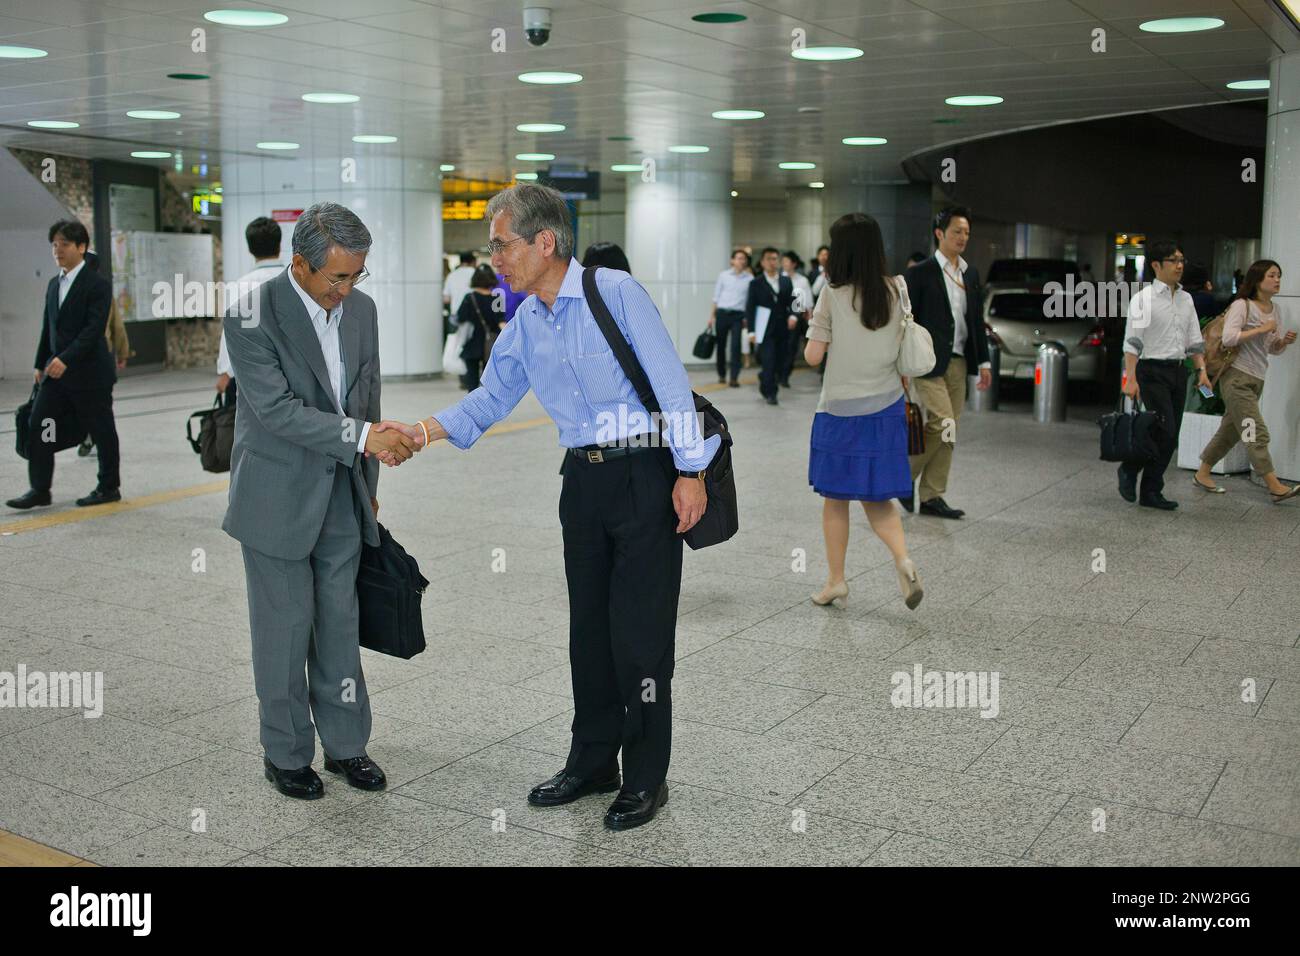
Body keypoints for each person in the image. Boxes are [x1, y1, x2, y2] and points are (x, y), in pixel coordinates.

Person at [397, 183, 715, 831]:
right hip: (583, 485)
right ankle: (594, 760)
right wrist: (419, 432)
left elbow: (670, 383)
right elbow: (486, 402)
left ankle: (647, 776)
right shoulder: (523, 326)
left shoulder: (614, 292)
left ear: (544, 241)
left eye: (500, 245)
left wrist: (691, 471)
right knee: (589, 633)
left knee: (641, 637)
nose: (495, 260)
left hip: (644, 478)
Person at [221, 201, 421, 800]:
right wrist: (363, 438)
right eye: (336, 276)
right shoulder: (250, 316)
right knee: (283, 631)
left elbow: (368, 396)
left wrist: (371, 489)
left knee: (339, 623)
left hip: (342, 491)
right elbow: (277, 411)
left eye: (356, 274)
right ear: (299, 264)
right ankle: (284, 753)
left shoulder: (362, 311)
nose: (345, 288)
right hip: (276, 494)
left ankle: (347, 746)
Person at [804, 213, 922, 610]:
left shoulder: (832, 293)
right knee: (878, 499)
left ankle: (836, 580)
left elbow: (811, 355)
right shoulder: (898, 289)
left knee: (836, 500)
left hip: (839, 412)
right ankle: (903, 560)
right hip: (887, 407)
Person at [7, 220, 121, 511]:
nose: (57, 250)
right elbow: (50, 328)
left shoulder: (98, 285)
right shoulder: (53, 283)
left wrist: (64, 359)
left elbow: (93, 330)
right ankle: (39, 489)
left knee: (101, 429)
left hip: (91, 373)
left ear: (81, 247)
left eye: (64, 244)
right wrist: (39, 362)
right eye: (54, 244)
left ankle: (109, 487)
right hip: (55, 373)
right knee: (39, 424)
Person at [902, 206, 990, 519]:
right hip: (927, 363)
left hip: (958, 362)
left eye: (966, 232)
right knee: (943, 423)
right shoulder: (920, 272)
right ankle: (903, 477)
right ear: (940, 233)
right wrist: (900, 365)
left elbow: (975, 320)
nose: (963, 237)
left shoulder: (970, 273)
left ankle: (931, 495)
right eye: (957, 231)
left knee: (950, 431)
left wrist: (985, 363)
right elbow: (904, 321)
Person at [1194, 259, 1298, 502]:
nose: (1277, 280)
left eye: (1279, 276)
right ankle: (1273, 484)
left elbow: (1272, 348)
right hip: (1236, 379)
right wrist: (1262, 329)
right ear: (1258, 280)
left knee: (1230, 432)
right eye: (1272, 275)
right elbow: (1229, 338)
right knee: (1255, 431)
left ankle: (1203, 472)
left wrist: (1283, 341)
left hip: (1257, 378)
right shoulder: (1243, 305)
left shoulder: (1275, 310)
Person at [1118, 239, 1207, 510]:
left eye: (1182, 260)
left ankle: (1150, 491)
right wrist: (1131, 378)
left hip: (1179, 372)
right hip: (1152, 370)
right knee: (1164, 430)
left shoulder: (1186, 299)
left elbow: (1194, 340)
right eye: (1173, 261)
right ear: (1156, 265)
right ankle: (1131, 468)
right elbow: (1132, 342)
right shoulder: (1143, 299)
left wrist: (1201, 371)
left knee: (1170, 434)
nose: (1180, 265)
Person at [216, 216, 285, 409]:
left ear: (250, 249)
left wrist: (225, 372)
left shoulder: (241, 286)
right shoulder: (295, 282)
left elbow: (230, 333)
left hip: (249, 373)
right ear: (279, 245)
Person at [77, 251, 129, 458]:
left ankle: (91, 435)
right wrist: (123, 352)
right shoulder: (102, 291)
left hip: (84, 360)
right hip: (100, 356)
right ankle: (92, 435)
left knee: (89, 403)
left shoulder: (78, 292)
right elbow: (118, 325)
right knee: (99, 405)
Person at [746, 246, 796, 405]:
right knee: (768, 361)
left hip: (783, 328)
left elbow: (794, 302)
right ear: (762, 262)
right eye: (768, 259)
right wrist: (751, 331)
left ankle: (765, 378)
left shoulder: (786, 281)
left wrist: (794, 316)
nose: (772, 262)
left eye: (775, 259)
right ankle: (771, 393)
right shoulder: (755, 283)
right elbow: (750, 307)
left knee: (780, 362)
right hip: (764, 329)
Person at [456, 263, 504, 390]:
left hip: (472, 344)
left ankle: (473, 407)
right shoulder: (497, 298)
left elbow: (460, 318)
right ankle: (487, 408)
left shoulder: (469, 298)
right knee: (490, 383)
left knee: (471, 383)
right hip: (492, 344)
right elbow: (501, 322)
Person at [708, 249, 752, 387]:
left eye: (743, 258)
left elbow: (749, 301)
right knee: (721, 345)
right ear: (732, 260)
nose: (741, 261)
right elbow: (716, 297)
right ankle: (721, 374)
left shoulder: (750, 278)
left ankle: (734, 377)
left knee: (736, 346)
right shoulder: (724, 276)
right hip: (722, 314)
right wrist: (711, 316)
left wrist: (747, 318)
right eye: (738, 258)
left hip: (738, 316)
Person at [783, 250, 813, 386]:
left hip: (797, 318)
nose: (783, 264)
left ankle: (784, 376)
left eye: (786, 261)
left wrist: (810, 318)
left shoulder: (802, 280)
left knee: (791, 348)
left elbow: (808, 302)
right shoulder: (778, 278)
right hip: (781, 318)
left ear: (794, 264)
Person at [443, 250, 477, 316]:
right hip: (471, 313)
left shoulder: (451, 275)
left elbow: (446, 299)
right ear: (473, 261)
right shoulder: (475, 273)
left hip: (455, 313)